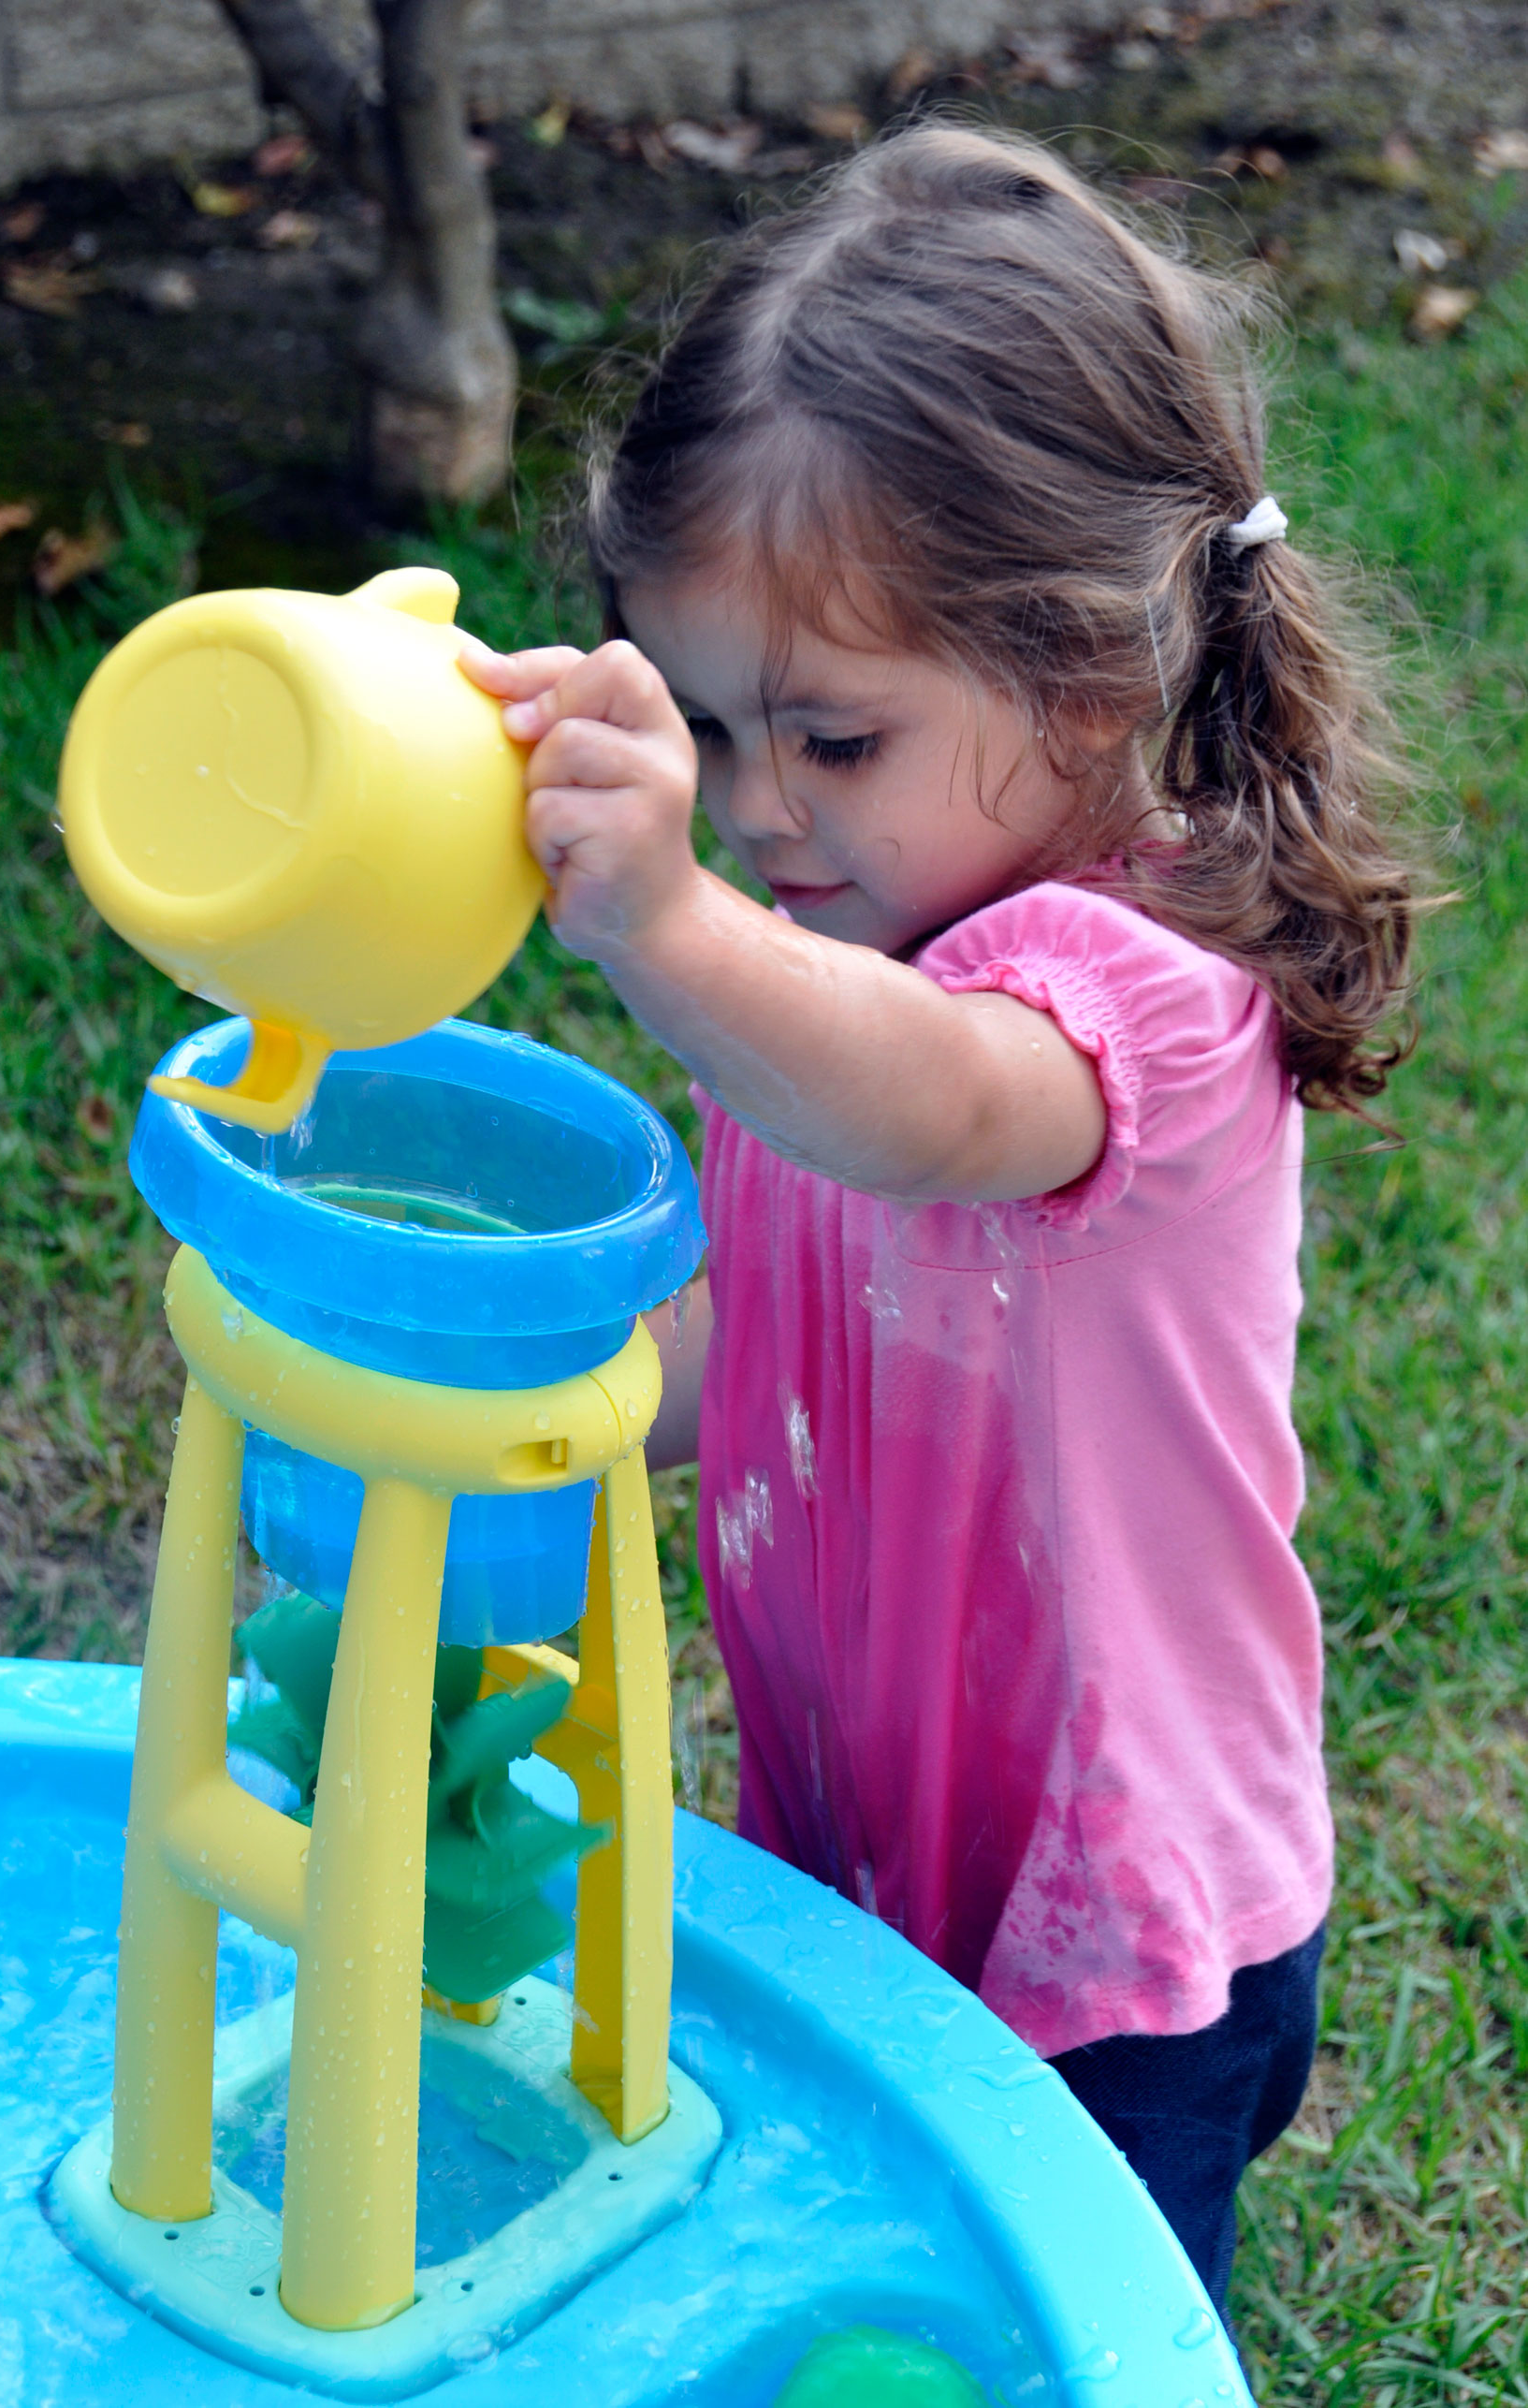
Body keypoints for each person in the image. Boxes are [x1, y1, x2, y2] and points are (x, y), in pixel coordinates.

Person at [457, 125, 1419, 2312]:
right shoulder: (840, 977)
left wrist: (674, 926)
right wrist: (535, 1412)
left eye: (838, 737)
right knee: (883, 2297)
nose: (762, 798)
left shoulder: (1135, 1011)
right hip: (877, 1842)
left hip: (1118, 1920)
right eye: (707, 721)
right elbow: (765, 1320)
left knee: (1054, 2336)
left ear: (1088, 672)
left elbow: (933, 1124)